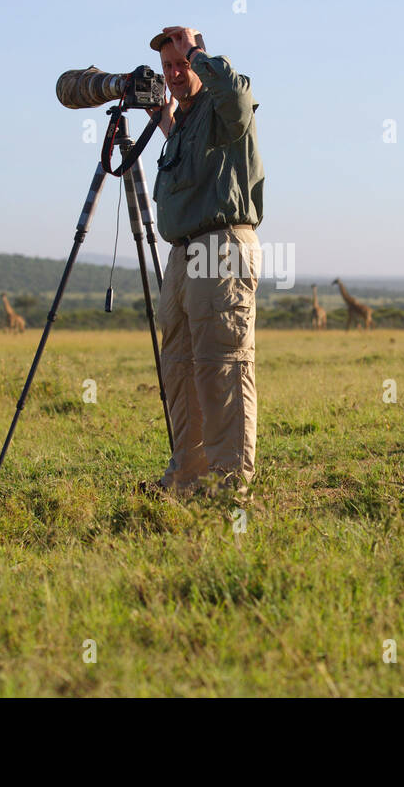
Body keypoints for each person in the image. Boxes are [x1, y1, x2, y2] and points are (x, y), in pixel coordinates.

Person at [147, 26, 264, 496]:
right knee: (179, 363)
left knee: (222, 362)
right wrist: (164, 121)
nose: (176, 73)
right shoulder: (187, 120)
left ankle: (230, 483)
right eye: (169, 66)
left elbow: (236, 96)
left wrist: (197, 52)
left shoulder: (223, 105)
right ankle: (189, 476)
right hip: (183, 251)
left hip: (220, 246)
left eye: (183, 64)